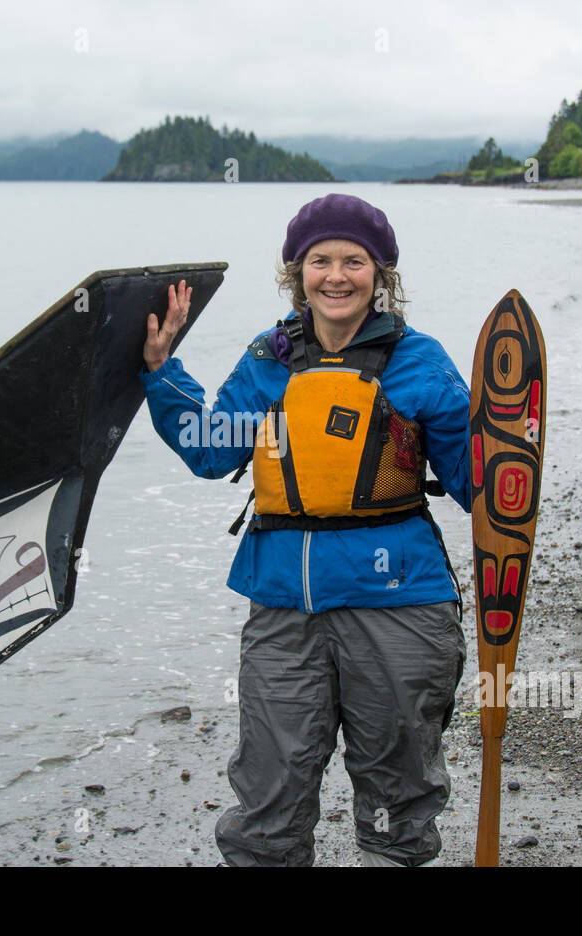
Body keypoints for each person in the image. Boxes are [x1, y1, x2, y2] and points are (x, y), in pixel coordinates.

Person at [138, 193, 471, 866]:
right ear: (298, 271)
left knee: (395, 797)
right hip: (284, 607)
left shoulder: (420, 361)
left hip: (400, 602)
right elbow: (211, 447)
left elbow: (479, 485)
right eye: (320, 260)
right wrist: (161, 369)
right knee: (269, 795)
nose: (337, 276)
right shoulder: (269, 358)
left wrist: (513, 439)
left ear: (380, 274)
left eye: (355, 260)